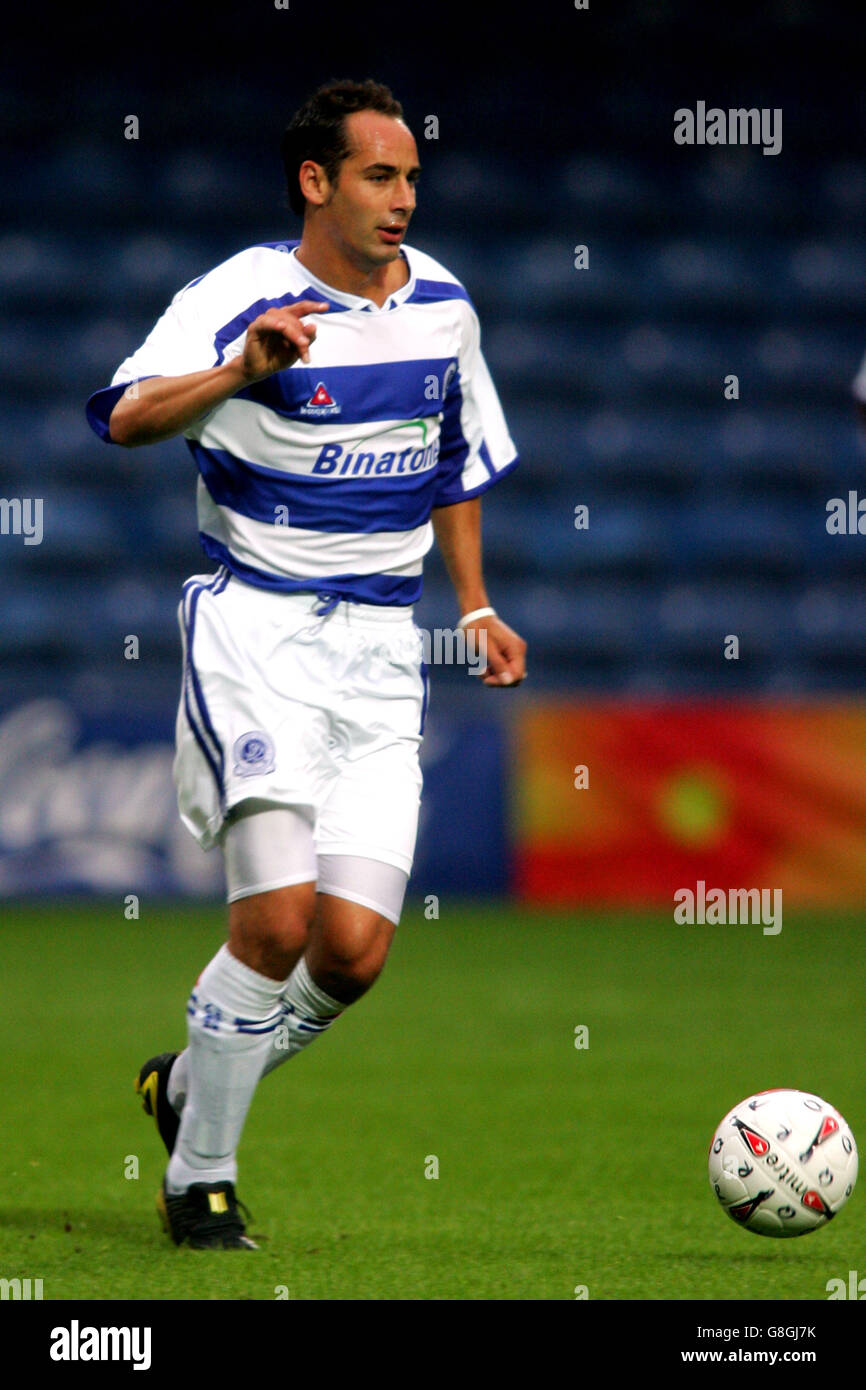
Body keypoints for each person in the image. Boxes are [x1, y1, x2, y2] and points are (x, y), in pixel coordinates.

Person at [86, 78, 525, 1250]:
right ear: (315, 181)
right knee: (274, 924)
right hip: (258, 631)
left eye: (413, 177)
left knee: (353, 951)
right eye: (380, 175)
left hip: (385, 647)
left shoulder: (443, 306)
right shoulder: (238, 294)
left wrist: (474, 605)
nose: (403, 198)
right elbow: (125, 418)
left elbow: (455, 465)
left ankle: (189, 1080)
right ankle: (202, 1182)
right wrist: (239, 372)